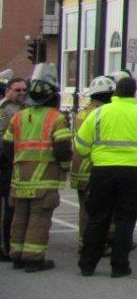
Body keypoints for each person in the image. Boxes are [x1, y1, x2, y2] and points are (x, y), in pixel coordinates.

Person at [75, 75, 137, 278]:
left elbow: (81, 146)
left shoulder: (98, 114)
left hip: (102, 172)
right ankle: (119, 266)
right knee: (126, 220)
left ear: (115, 92)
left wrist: (98, 153)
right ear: (135, 93)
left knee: (98, 218)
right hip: (133, 173)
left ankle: (87, 264)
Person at [1, 67, 71, 272]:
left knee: (19, 217)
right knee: (39, 219)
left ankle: (17, 256)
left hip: (19, 177)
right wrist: (65, 167)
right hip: (44, 179)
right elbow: (62, 148)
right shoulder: (56, 118)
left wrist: (18, 161)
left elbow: (6, 145)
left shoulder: (18, 117)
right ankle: (34, 259)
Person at [70, 75, 115, 252]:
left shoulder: (82, 112)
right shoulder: (101, 113)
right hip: (95, 168)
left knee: (85, 209)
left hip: (79, 168)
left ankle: (84, 242)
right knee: (98, 210)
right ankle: (95, 244)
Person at [0, 75, 27, 262]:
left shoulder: (26, 108)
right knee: (7, 207)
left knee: (15, 207)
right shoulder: (4, 110)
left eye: (24, 90)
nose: (22, 93)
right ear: (8, 90)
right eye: (18, 90)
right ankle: (5, 247)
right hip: (5, 162)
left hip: (20, 162)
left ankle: (14, 245)